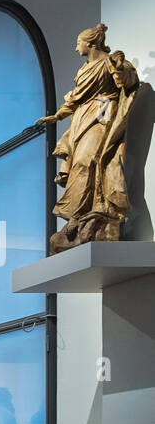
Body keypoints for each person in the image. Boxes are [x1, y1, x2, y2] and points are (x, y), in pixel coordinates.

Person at [36, 23, 141, 254]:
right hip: (81, 120)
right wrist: (57, 115)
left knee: (89, 161)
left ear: (90, 43)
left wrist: (121, 70)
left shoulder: (110, 62)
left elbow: (130, 81)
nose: (76, 49)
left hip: (101, 117)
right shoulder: (84, 69)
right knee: (77, 166)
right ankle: (81, 214)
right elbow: (75, 98)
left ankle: (90, 213)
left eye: (78, 44)